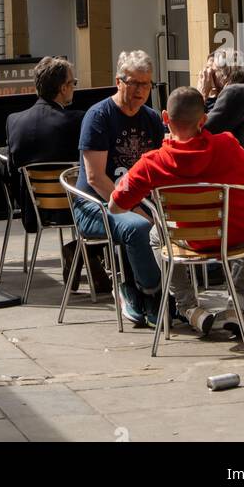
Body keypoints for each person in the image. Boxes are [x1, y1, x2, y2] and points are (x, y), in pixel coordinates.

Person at [109, 85, 244, 336]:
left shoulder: (151, 162)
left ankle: (189, 308)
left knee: (157, 236)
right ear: (203, 119)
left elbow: (116, 206)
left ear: (165, 118)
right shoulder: (228, 144)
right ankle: (238, 301)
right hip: (237, 236)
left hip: (192, 241)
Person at [72, 50, 165, 327]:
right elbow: (95, 178)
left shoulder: (151, 119)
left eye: (146, 84)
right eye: (133, 83)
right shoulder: (99, 116)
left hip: (138, 202)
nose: (139, 90)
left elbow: (160, 169)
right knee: (137, 226)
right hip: (93, 204)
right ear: (118, 81)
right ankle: (154, 294)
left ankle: (153, 292)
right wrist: (135, 207)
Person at [3, 56, 87, 288]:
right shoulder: (77, 121)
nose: (74, 88)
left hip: (34, 211)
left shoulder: (14, 121)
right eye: (73, 83)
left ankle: (84, 255)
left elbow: (10, 170)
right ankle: (82, 250)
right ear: (63, 88)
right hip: (74, 210)